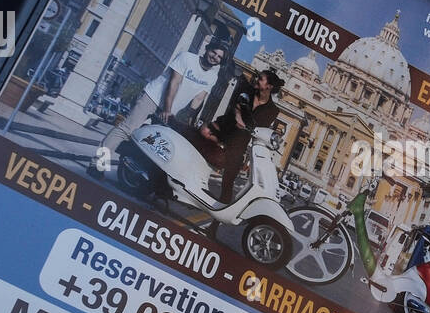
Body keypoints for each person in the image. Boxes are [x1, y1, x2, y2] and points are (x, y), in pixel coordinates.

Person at [88, 33, 229, 177]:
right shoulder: (187, 58)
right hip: (153, 97)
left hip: (171, 109)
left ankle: (133, 169)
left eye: (219, 57)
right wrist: (167, 110)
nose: (215, 57)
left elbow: (198, 99)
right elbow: (173, 83)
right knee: (126, 129)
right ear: (207, 49)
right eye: (214, 52)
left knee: (156, 142)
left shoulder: (212, 76)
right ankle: (96, 164)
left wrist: (189, 121)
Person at [197, 69, 284, 202]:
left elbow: (255, 127)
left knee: (229, 179)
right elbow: (236, 112)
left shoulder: (273, 110)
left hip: (238, 143)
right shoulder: (246, 89)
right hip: (222, 128)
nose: (255, 79)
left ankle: (218, 217)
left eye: (260, 78)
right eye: (256, 76)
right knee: (199, 137)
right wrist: (241, 118)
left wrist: (242, 118)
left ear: (269, 86)